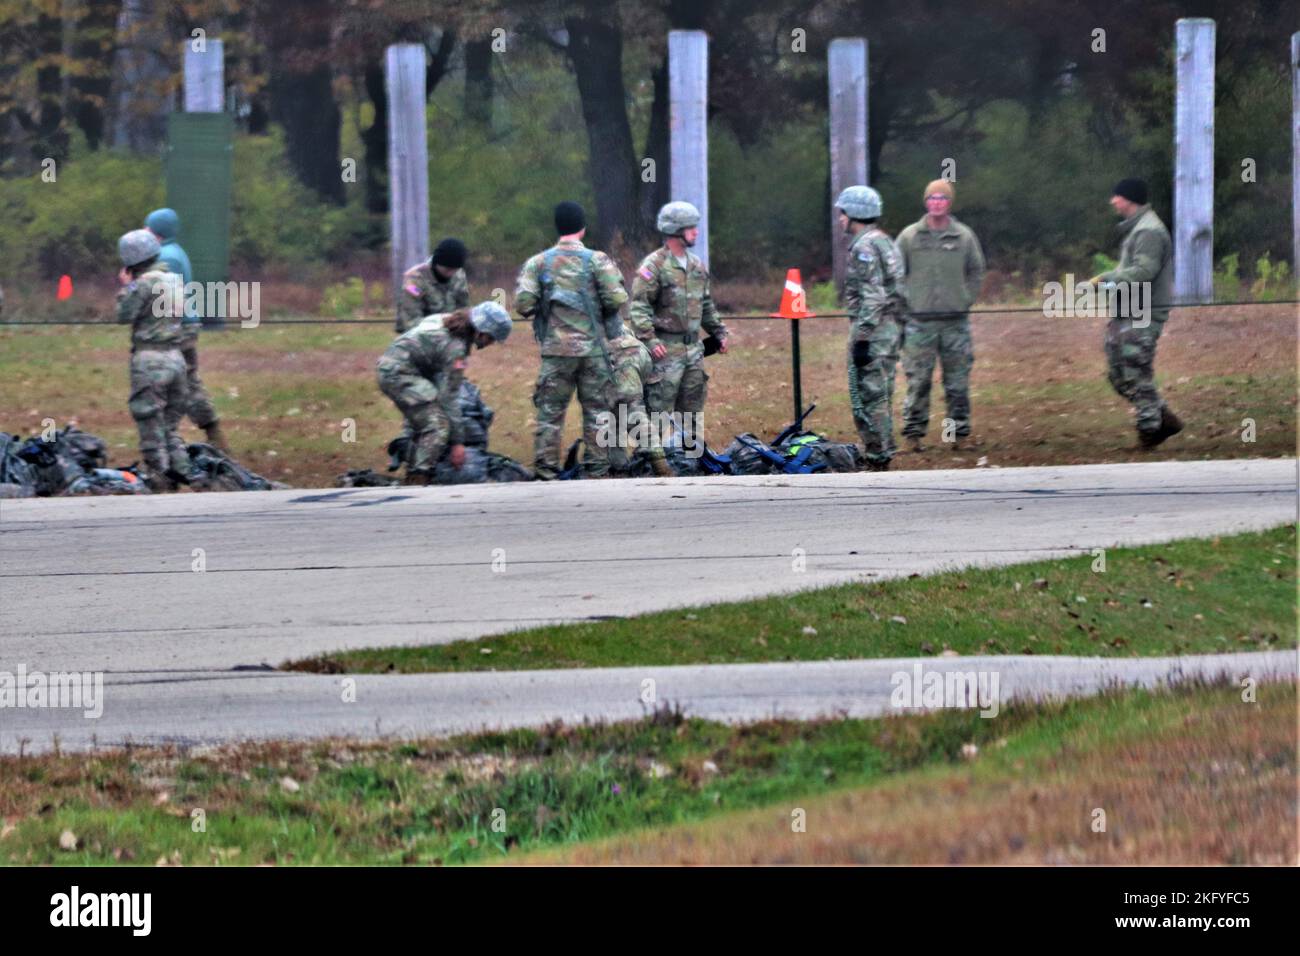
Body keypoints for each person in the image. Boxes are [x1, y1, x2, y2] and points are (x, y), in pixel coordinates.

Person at [514, 201, 628, 480]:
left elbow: (523, 304)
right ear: (583, 228)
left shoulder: (538, 263)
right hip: (594, 353)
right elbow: (617, 299)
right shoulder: (598, 260)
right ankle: (597, 472)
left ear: (557, 227)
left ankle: (546, 472)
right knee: (598, 413)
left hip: (556, 352)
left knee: (550, 414)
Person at [628, 201, 727, 462]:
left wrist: (719, 332)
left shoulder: (696, 266)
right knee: (658, 410)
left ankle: (690, 461)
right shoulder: (654, 266)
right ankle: (647, 463)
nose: (696, 232)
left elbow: (705, 304)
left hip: (694, 350)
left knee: (692, 409)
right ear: (675, 231)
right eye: (690, 228)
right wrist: (648, 339)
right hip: (665, 350)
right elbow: (639, 306)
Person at [1087, 178, 1182, 448]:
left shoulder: (1148, 231)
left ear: (1129, 199)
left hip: (1143, 313)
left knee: (1135, 373)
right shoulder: (1138, 229)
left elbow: (1143, 272)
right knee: (1118, 375)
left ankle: (1150, 432)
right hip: (1128, 311)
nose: (1112, 201)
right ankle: (1162, 416)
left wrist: (1107, 279)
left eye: (1116, 196)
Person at [377, 302, 512, 484]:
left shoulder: (445, 320)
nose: (491, 343)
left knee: (427, 420)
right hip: (399, 375)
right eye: (491, 338)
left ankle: (415, 465)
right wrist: (458, 443)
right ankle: (417, 480)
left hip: (394, 369)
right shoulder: (456, 350)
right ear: (481, 332)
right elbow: (449, 397)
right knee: (438, 426)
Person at [895, 180, 985, 452]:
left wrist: (965, 299)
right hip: (919, 323)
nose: (936, 202)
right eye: (932, 198)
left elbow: (976, 271)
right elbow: (896, 273)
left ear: (949, 203)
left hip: (954, 323)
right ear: (926, 202)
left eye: (942, 198)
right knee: (918, 381)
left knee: (957, 383)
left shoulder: (963, 236)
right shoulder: (910, 237)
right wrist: (905, 303)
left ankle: (956, 436)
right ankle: (913, 436)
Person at [144, 208, 228, 452]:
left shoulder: (166, 257)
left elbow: (166, 298)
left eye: (148, 228)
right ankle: (208, 434)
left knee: (181, 384)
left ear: (157, 231)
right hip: (184, 325)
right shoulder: (173, 252)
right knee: (185, 382)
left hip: (176, 328)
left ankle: (202, 437)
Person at [115, 229, 192, 492]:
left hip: (150, 360)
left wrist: (127, 287)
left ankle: (160, 480)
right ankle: (183, 471)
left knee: (150, 422)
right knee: (169, 425)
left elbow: (124, 314)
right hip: (176, 358)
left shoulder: (142, 283)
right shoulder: (174, 279)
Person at [836, 185, 906, 471]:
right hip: (890, 328)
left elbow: (873, 296)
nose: (840, 218)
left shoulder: (863, 248)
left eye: (843, 213)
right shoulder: (884, 241)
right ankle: (883, 450)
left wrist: (862, 337)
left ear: (855, 213)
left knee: (869, 395)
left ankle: (878, 456)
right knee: (883, 391)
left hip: (873, 330)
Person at [396, 238, 471, 334]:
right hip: (420, 335)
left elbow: (463, 308)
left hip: (450, 333)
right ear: (437, 263)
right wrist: (441, 329)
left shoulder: (458, 276)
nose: (451, 274)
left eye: (455, 269)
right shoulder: (414, 281)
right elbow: (410, 321)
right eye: (448, 269)